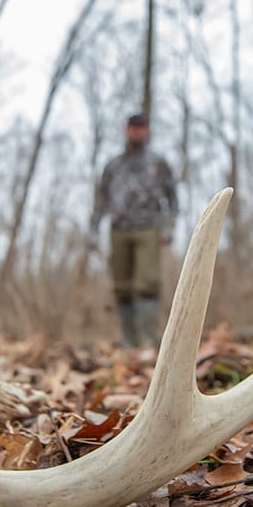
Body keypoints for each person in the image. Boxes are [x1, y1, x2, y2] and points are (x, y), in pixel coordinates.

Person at [89, 113, 179, 348]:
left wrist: (168, 228)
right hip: (119, 230)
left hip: (149, 228)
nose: (136, 132)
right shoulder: (113, 165)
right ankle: (129, 343)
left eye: (141, 128)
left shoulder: (158, 163)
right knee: (122, 286)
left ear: (147, 131)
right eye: (133, 128)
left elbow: (172, 198)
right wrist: (94, 229)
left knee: (147, 284)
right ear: (127, 131)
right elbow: (101, 199)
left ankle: (147, 342)